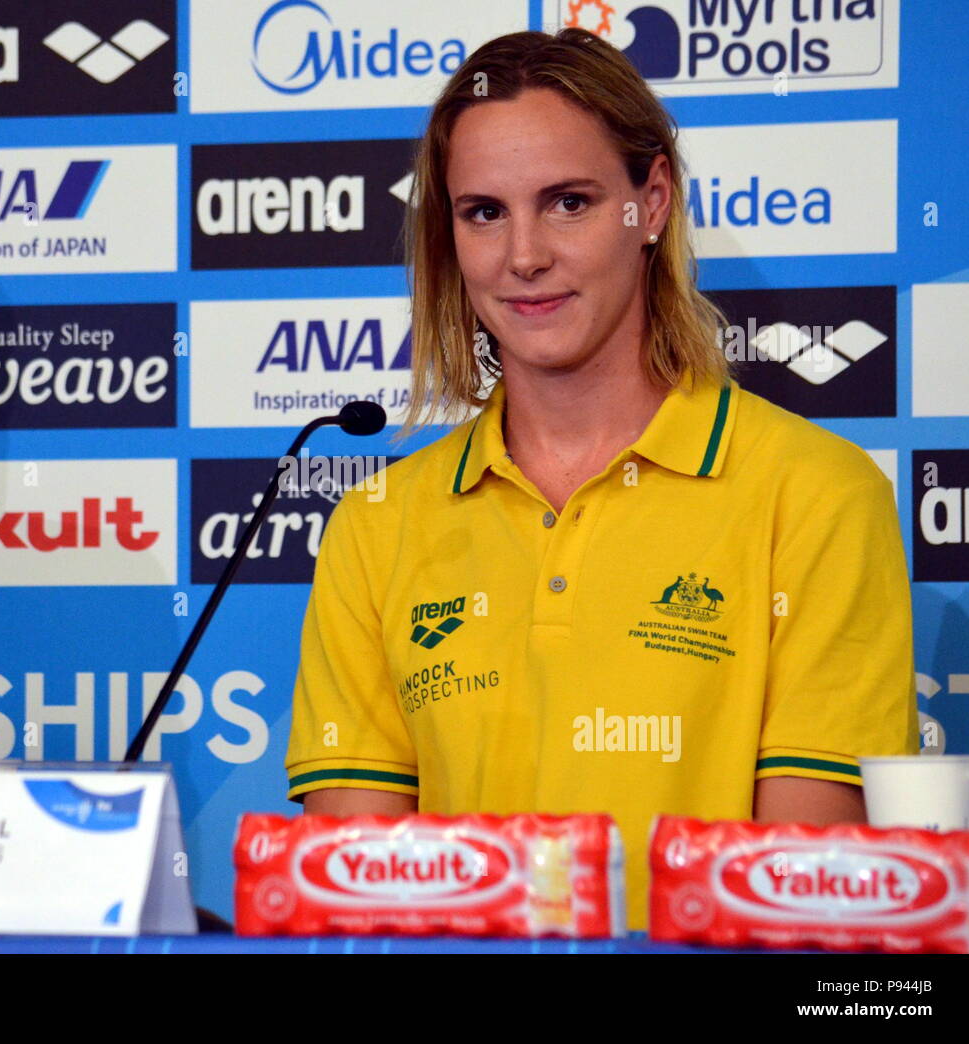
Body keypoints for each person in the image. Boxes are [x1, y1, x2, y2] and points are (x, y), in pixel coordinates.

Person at [283, 28, 916, 932]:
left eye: (569, 202)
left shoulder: (817, 494)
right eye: (483, 212)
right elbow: (361, 896)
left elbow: (803, 897)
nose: (524, 256)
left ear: (650, 202)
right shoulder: (378, 523)